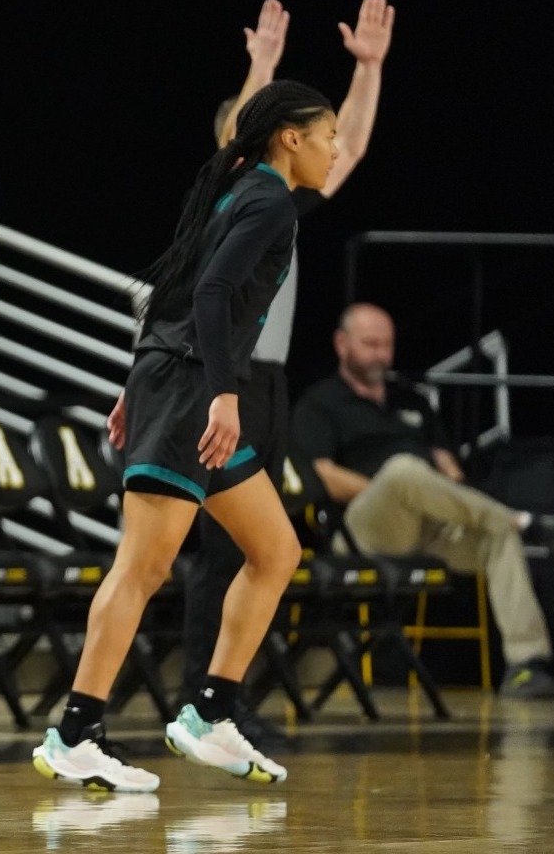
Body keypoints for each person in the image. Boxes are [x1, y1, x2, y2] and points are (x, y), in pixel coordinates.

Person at [32, 80, 336, 793]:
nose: (334, 150)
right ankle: (75, 733)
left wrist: (135, 382)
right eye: (327, 136)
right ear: (289, 138)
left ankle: (210, 713)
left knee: (274, 550)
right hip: (192, 390)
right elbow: (206, 294)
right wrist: (221, 393)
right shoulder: (268, 200)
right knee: (142, 566)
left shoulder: (239, 187)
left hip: (171, 381)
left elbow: (171, 285)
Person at [179, 0, 395, 739]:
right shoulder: (239, 192)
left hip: (264, 381)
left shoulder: (282, 200)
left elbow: (353, 148)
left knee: (258, 547)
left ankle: (221, 697)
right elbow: (244, 135)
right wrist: (262, 68)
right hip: (222, 380)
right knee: (222, 546)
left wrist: (367, 69)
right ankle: (204, 700)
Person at [292, 303, 554, 697]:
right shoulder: (320, 403)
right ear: (341, 343)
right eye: (370, 344)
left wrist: (433, 488)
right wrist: (396, 491)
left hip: (428, 527)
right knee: (403, 470)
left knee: (495, 533)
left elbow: (450, 470)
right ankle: (520, 519)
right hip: (362, 529)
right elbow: (322, 475)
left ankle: (527, 664)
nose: (381, 354)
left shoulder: (411, 401)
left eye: (387, 345)